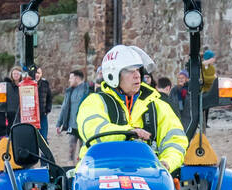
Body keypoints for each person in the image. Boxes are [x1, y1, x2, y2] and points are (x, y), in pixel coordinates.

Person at [76, 44, 188, 173]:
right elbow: (94, 131)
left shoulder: (158, 106)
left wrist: (167, 163)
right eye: (130, 70)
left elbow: (176, 140)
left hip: (147, 176)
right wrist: (129, 132)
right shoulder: (94, 102)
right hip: (99, 173)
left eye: (138, 70)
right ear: (113, 74)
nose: (137, 76)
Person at [55, 68, 91, 164]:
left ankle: (82, 168)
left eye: (71, 78)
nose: (69, 80)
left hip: (85, 126)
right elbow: (64, 108)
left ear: (76, 78)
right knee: (71, 150)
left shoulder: (88, 89)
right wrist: (58, 124)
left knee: (83, 151)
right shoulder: (69, 91)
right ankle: (71, 167)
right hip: (72, 125)